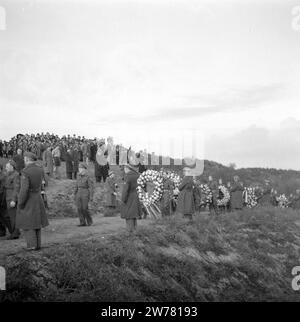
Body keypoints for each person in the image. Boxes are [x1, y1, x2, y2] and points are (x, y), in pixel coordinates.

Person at [16, 152, 49, 250]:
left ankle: (31, 246)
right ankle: (38, 245)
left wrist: (21, 202)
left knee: (28, 223)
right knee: (37, 222)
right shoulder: (40, 169)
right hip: (38, 197)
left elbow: (24, 189)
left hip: (29, 198)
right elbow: (45, 182)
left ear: (26, 159)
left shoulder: (25, 171)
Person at [121, 163, 142, 232]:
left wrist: (123, 199)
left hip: (129, 197)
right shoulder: (138, 175)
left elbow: (125, 190)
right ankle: (135, 231)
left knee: (129, 215)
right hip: (136, 196)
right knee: (134, 215)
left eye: (124, 169)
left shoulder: (127, 176)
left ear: (127, 168)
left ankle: (129, 232)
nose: (124, 170)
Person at [4, 160, 21, 239]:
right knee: (10, 216)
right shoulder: (8, 174)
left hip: (11, 198)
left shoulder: (16, 175)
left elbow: (16, 188)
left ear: (12, 167)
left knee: (13, 216)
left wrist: (14, 200)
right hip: (7, 196)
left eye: (7, 167)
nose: (6, 168)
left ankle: (15, 234)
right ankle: (16, 231)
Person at [0, 165, 8, 237]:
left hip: (2, 197)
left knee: (3, 215)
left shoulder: (3, 176)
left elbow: (3, 189)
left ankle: (3, 230)